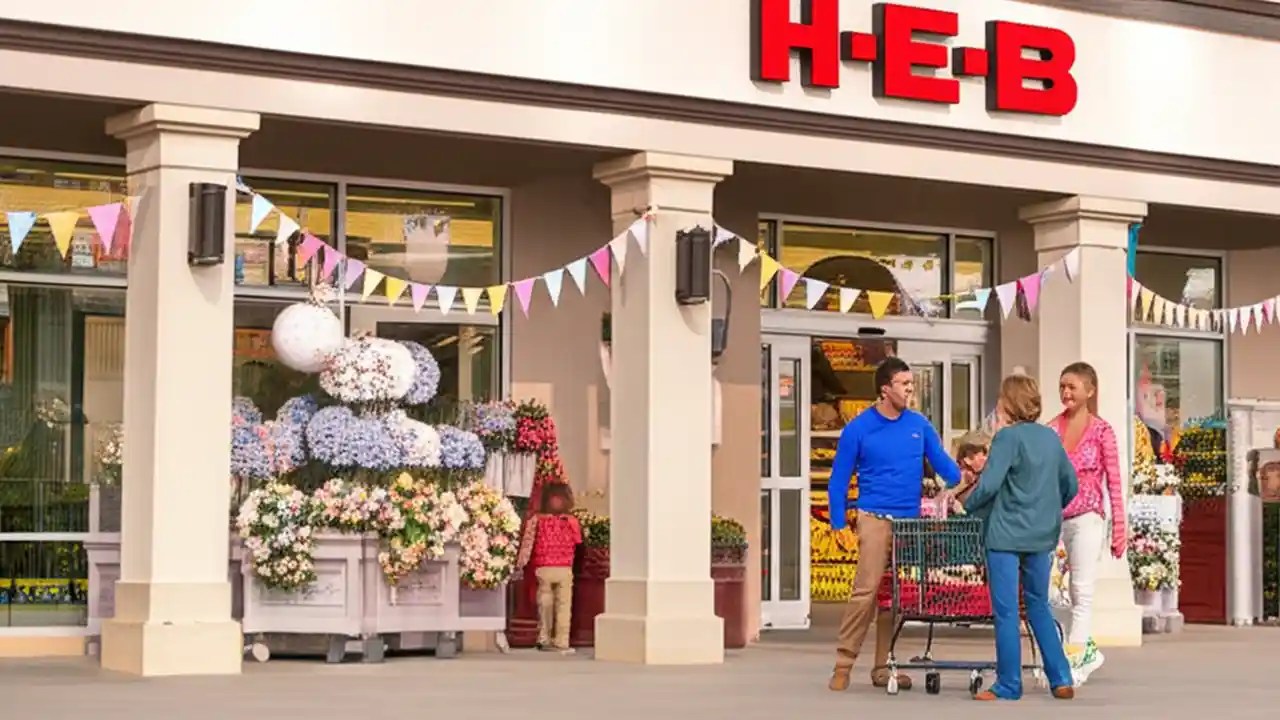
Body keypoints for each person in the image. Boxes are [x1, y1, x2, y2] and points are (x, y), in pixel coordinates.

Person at [827, 357, 962, 693]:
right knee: (866, 591)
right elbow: (838, 480)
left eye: (911, 384)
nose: (910, 390)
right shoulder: (858, 428)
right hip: (874, 518)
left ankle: (882, 667)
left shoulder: (919, 425)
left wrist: (948, 489)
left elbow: (951, 471)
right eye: (904, 384)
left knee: (897, 598)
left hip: (909, 524)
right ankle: (843, 664)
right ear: (885, 389)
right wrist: (839, 523)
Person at [963, 374, 1077, 701]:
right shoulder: (1051, 438)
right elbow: (1071, 484)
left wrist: (967, 507)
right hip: (1042, 535)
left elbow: (989, 484)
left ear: (1008, 403)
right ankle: (1061, 678)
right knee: (1039, 605)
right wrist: (1049, 508)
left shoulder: (1007, 439)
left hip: (1006, 535)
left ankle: (1009, 684)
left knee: (1007, 611)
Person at [1052, 362, 1126, 684]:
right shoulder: (1050, 429)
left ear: (1089, 391)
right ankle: (1080, 649)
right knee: (1049, 593)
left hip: (1088, 518)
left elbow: (1115, 482)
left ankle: (1075, 661)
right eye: (1063, 386)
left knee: (1081, 591)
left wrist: (1119, 527)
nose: (1066, 393)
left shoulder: (1102, 431)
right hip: (1052, 519)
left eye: (1073, 387)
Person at [515, 482, 581, 654]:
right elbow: (579, 544)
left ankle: (544, 637)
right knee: (564, 606)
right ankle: (561, 641)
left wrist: (520, 564)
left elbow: (527, 544)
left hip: (543, 567)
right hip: (565, 568)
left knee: (545, 603)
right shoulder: (572, 522)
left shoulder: (536, 521)